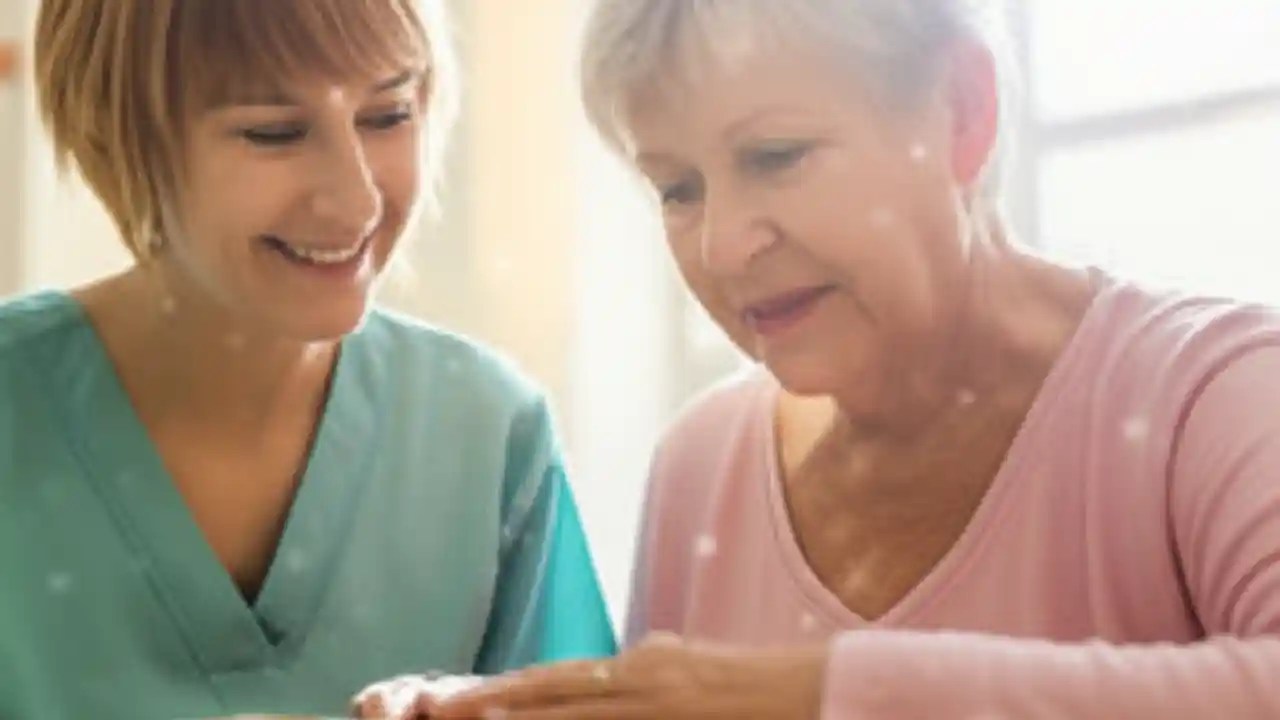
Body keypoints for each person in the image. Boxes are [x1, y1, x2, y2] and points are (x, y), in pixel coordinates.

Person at [411, 0, 1280, 717]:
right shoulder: (700, 463)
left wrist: (817, 694)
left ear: (962, 113)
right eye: (678, 188)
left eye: (775, 157)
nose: (722, 246)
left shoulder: (1219, 391)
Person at [0, 2, 614, 718]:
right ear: (114, 131)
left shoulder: (488, 435)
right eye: (275, 132)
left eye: (387, 115)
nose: (356, 201)